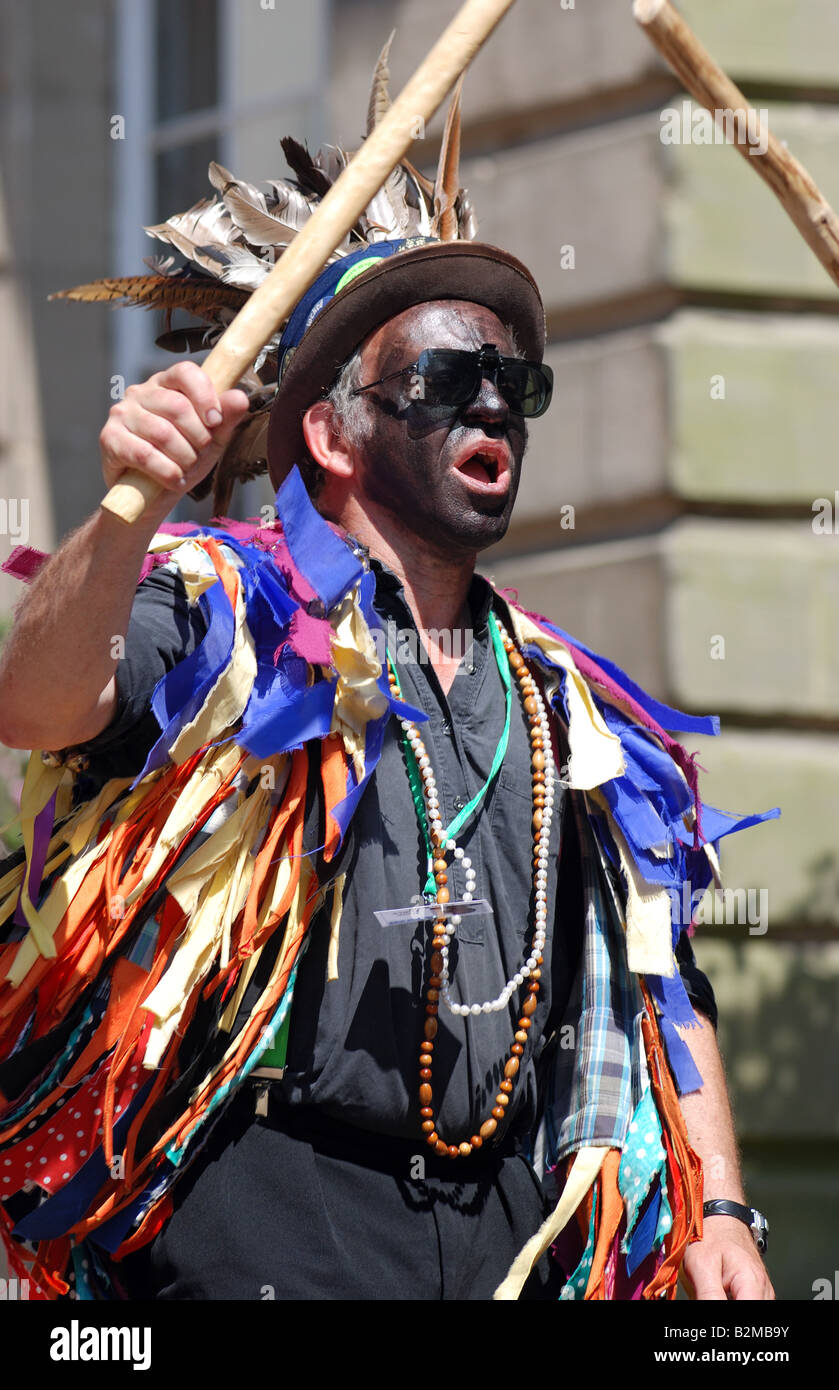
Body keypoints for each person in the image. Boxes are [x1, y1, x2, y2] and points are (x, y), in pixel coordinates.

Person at [0, 56, 776, 1302]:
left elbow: (655, 970)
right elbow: (38, 704)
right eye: (444, 378)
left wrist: (720, 1206)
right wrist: (123, 518)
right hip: (266, 1218)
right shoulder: (220, 607)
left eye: (515, 385)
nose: (495, 407)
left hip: (510, 1240)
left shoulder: (565, 701)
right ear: (329, 433)